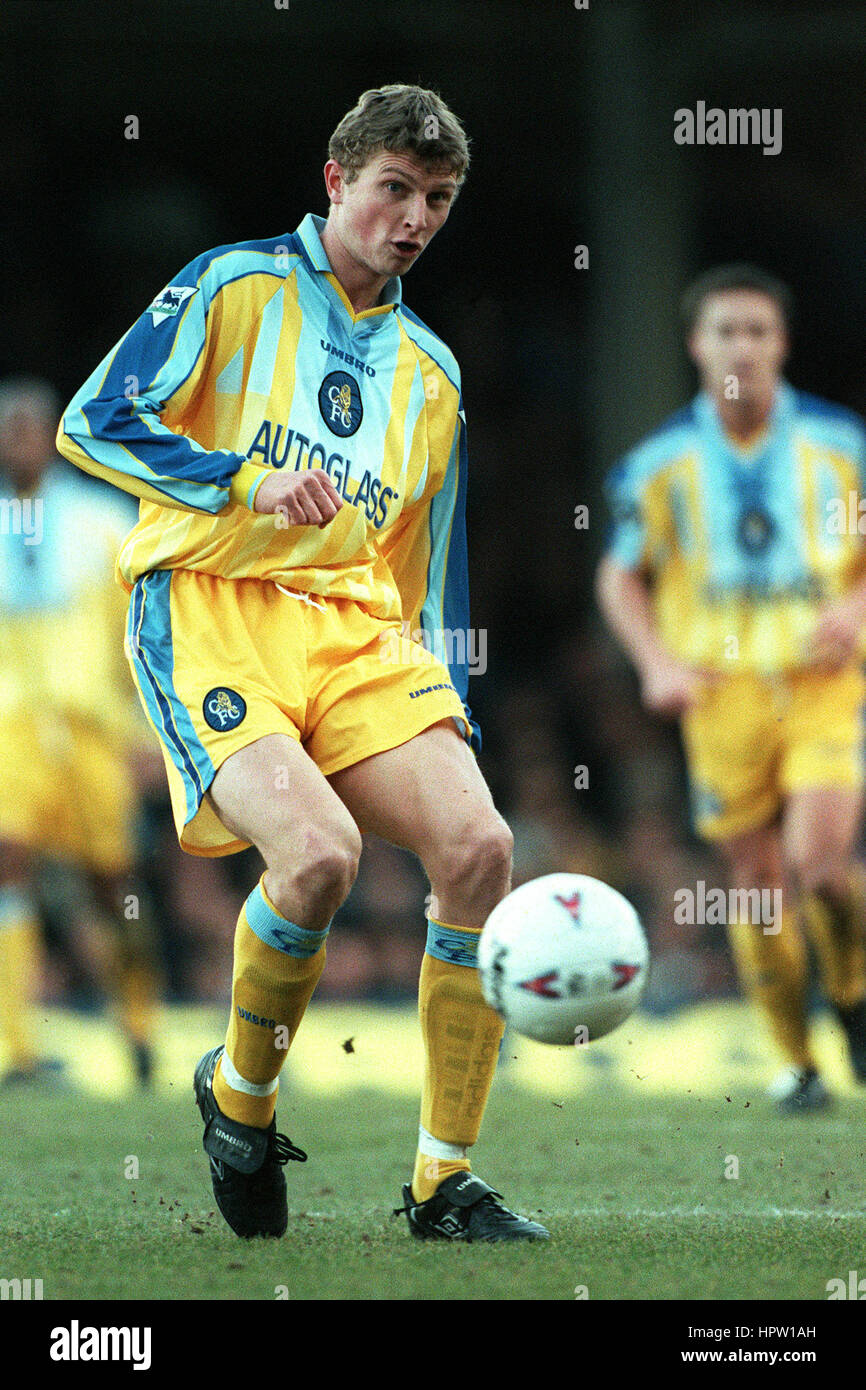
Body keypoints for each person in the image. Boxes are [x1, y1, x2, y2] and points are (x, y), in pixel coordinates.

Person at [57, 85, 548, 1241]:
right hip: (212, 605)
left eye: (435, 199)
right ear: (336, 184)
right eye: (392, 189)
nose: (413, 218)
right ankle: (240, 1099)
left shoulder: (430, 372)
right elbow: (94, 416)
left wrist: (446, 713)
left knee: (477, 845)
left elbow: (427, 569)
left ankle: (443, 1183)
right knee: (318, 857)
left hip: (356, 632)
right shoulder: (234, 285)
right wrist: (241, 478)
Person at [596, 264, 866, 1112]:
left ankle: (853, 997)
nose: (740, 344)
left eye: (756, 329)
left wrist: (857, 606)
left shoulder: (843, 446)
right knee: (754, 881)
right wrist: (656, 663)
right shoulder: (659, 464)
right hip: (720, 694)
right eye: (725, 330)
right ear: (695, 346)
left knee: (818, 864)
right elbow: (619, 575)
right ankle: (798, 1065)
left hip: (820, 682)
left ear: (781, 342)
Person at [0, 376, 161, 1086]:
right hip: (11, 728)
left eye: (28, 428)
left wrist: (151, 730)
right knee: (8, 863)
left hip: (93, 726)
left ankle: (140, 1023)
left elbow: (144, 634)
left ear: (52, 436)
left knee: (112, 882)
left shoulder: (105, 521)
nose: (18, 442)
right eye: (8, 430)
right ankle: (19, 1050)